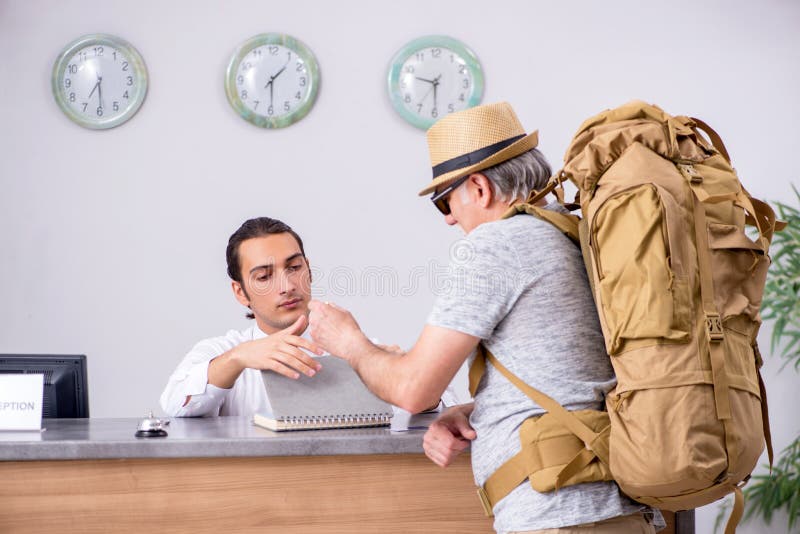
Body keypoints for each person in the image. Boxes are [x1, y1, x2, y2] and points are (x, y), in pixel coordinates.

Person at [308, 102, 660, 533]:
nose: (450, 218)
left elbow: (413, 390)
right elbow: (576, 376)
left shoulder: (497, 245)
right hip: (613, 507)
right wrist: (481, 410)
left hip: (558, 516)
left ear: (479, 188)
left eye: (444, 202)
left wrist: (351, 344)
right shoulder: (573, 233)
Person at [159, 217, 324, 417]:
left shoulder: (351, 347)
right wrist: (237, 358)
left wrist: (359, 352)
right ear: (240, 292)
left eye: (294, 268)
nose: (287, 287)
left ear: (309, 270)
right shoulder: (220, 351)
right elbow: (174, 404)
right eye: (264, 277)